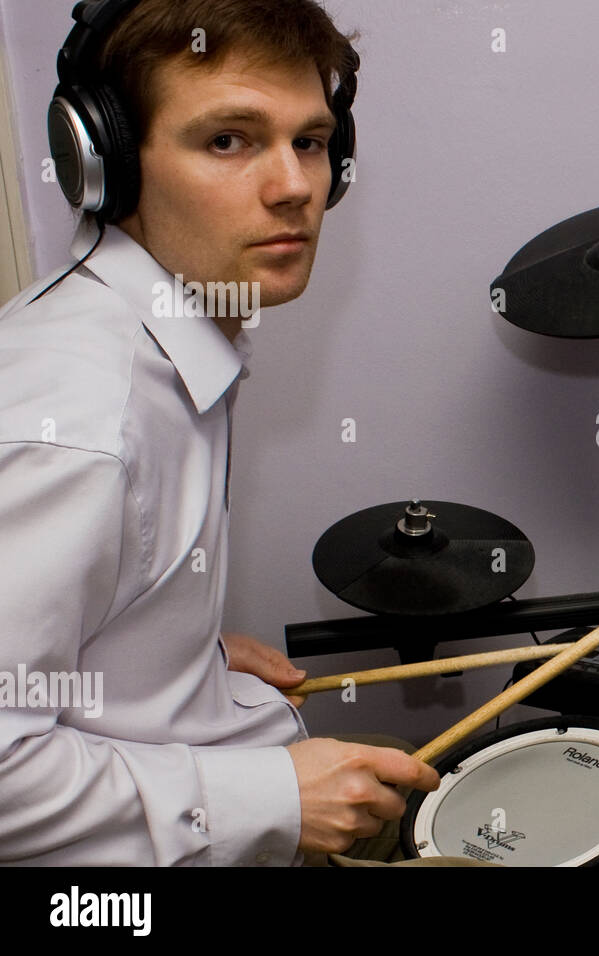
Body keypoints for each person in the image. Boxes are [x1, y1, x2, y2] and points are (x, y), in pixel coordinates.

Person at [0, 0, 440, 866]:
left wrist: (169, 653)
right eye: (229, 141)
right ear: (108, 166)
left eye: (309, 142)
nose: (295, 187)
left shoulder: (166, 337)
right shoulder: (79, 428)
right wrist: (271, 799)